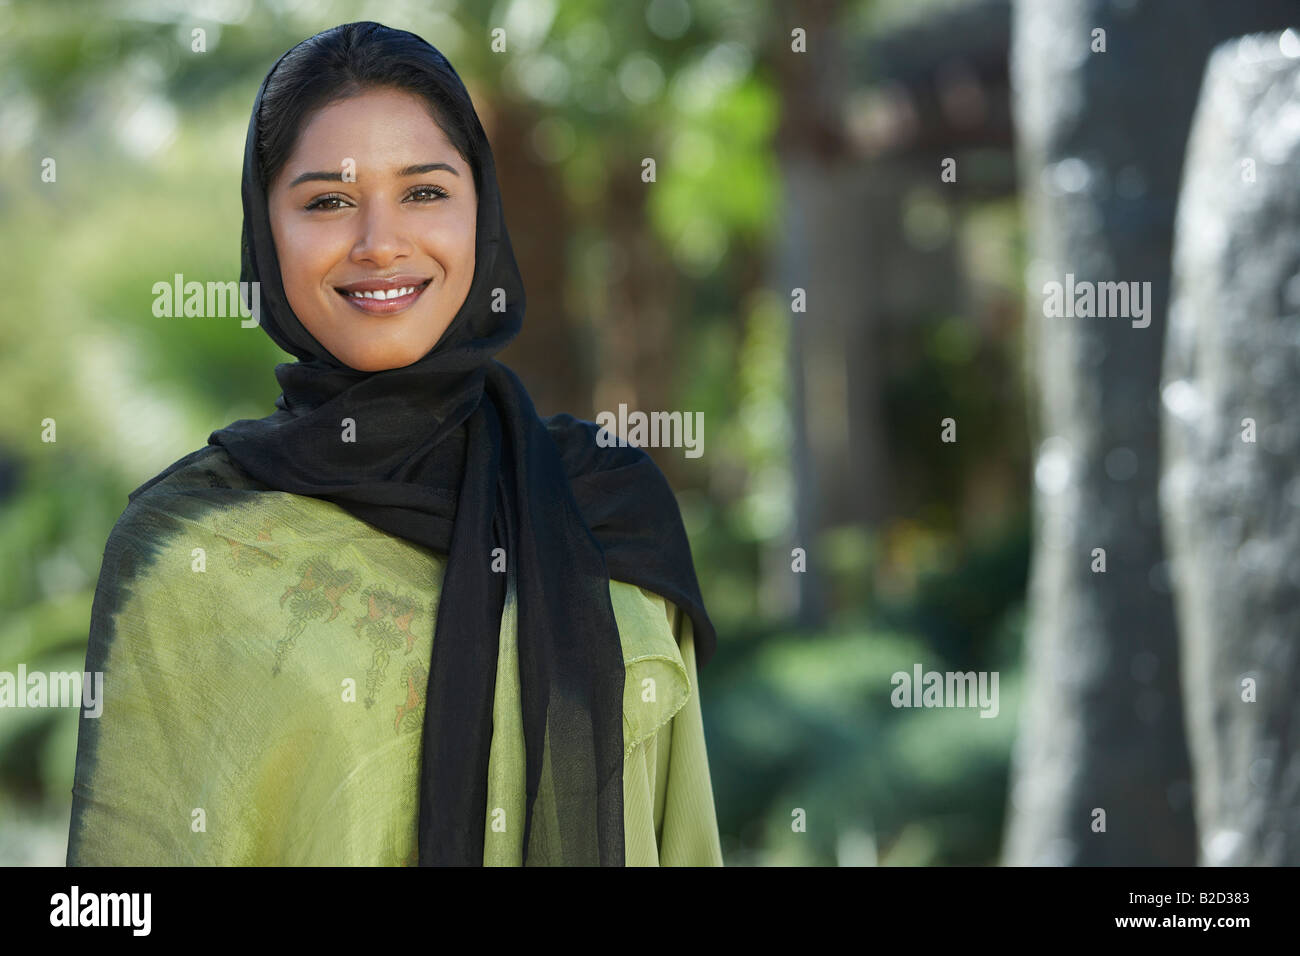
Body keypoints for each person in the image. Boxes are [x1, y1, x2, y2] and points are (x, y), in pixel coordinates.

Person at [66, 21, 722, 866]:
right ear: (264, 232)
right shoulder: (189, 551)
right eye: (328, 201)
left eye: (424, 192)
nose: (379, 242)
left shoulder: (606, 504)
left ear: (481, 210)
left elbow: (687, 836)